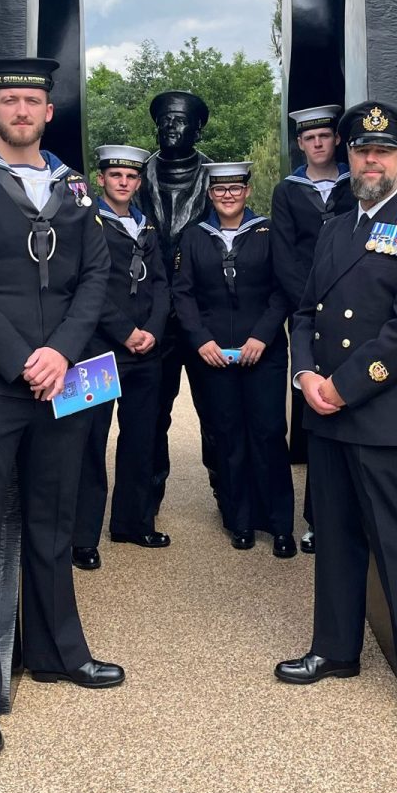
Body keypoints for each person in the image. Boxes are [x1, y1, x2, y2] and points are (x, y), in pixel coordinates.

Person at [0, 58, 119, 759]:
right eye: (9, 99)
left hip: (62, 377)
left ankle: (59, 650)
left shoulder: (73, 184)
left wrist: (62, 352)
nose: (21, 110)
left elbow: (97, 273)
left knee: (54, 517)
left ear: (47, 111)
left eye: (32, 100)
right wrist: (20, 358)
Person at [275, 102, 397, 732]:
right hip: (326, 412)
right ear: (346, 157)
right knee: (337, 537)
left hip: (382, 415)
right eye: (359, 150)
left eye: (381, 151)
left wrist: (343, 387)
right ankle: (335, 648)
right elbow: (302, 312)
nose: (369, 160)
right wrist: (303, 375)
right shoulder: (335, 229)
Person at [173, 163, 295, 554]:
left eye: (235, 188)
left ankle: (279, 525)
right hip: (214, 358)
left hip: (263, 353)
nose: (228, 195)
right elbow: (183, 294)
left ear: (247, 190)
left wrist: (262, 336)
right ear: (210, 194)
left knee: (269, 435)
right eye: (220, 189)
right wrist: (200, 340)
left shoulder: (271, 232)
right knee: (227, 437)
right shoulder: (193, 237)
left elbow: (283, 290)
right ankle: (238, 520)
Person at [72, 145, 171, 569]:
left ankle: (133, 522)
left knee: (141, 438)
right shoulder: (84, 222)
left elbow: (163, 283)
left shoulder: (145, 225)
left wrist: (152, 329)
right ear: (102, 180)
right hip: (97, 347)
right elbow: (83, 285)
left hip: (145, 350)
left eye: (131, 177)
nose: (124, 183)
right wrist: (125, 331)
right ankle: (82, 537)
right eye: (116, 176)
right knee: (88, 442)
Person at [271, 105, 354, 552]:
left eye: (325, 136)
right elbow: (284, 254)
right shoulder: (288, 191)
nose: (318, 143)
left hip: (355, 311)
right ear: (300, 144)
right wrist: (310, 304)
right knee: (315, 411)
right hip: (310, 312)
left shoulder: (354, 182)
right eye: (310, 138)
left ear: (336, 140)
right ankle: (317, 518)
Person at [136, 89, 216, 506]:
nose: (170, 125)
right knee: (151, 415)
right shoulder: (137, 176)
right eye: (165, 118)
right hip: (153, 318)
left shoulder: (215, 178)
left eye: (181, 119)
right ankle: (147, 501)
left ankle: (230, 500)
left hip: (203, 316)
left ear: (198, 128)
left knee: (216, 415)